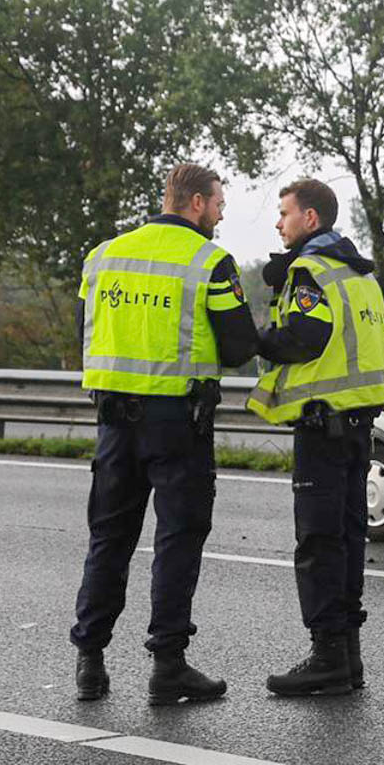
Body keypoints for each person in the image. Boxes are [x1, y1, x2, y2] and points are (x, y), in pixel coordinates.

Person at [70, 162, 260, 705]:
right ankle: (168, 666)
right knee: (176, 542)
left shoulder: (103, 256)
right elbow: (240, 344)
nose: (221, 215)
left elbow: (84, 328)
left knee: (109, 540)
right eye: (220, 204)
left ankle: (90, 661)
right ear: (196, 203)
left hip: (112, 424)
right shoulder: (209, 261)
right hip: (178, 425)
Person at [248, 178, 384, 697]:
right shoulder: (358, 274)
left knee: (317, 542)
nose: (278, 222)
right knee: (346, 539)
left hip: (323, 427)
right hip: (359, 428)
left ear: (310, 219)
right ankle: (348, 659)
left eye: (284, 213)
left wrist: (251, 338)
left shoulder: (310, 272)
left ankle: (327, 656)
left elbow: (305, 338)